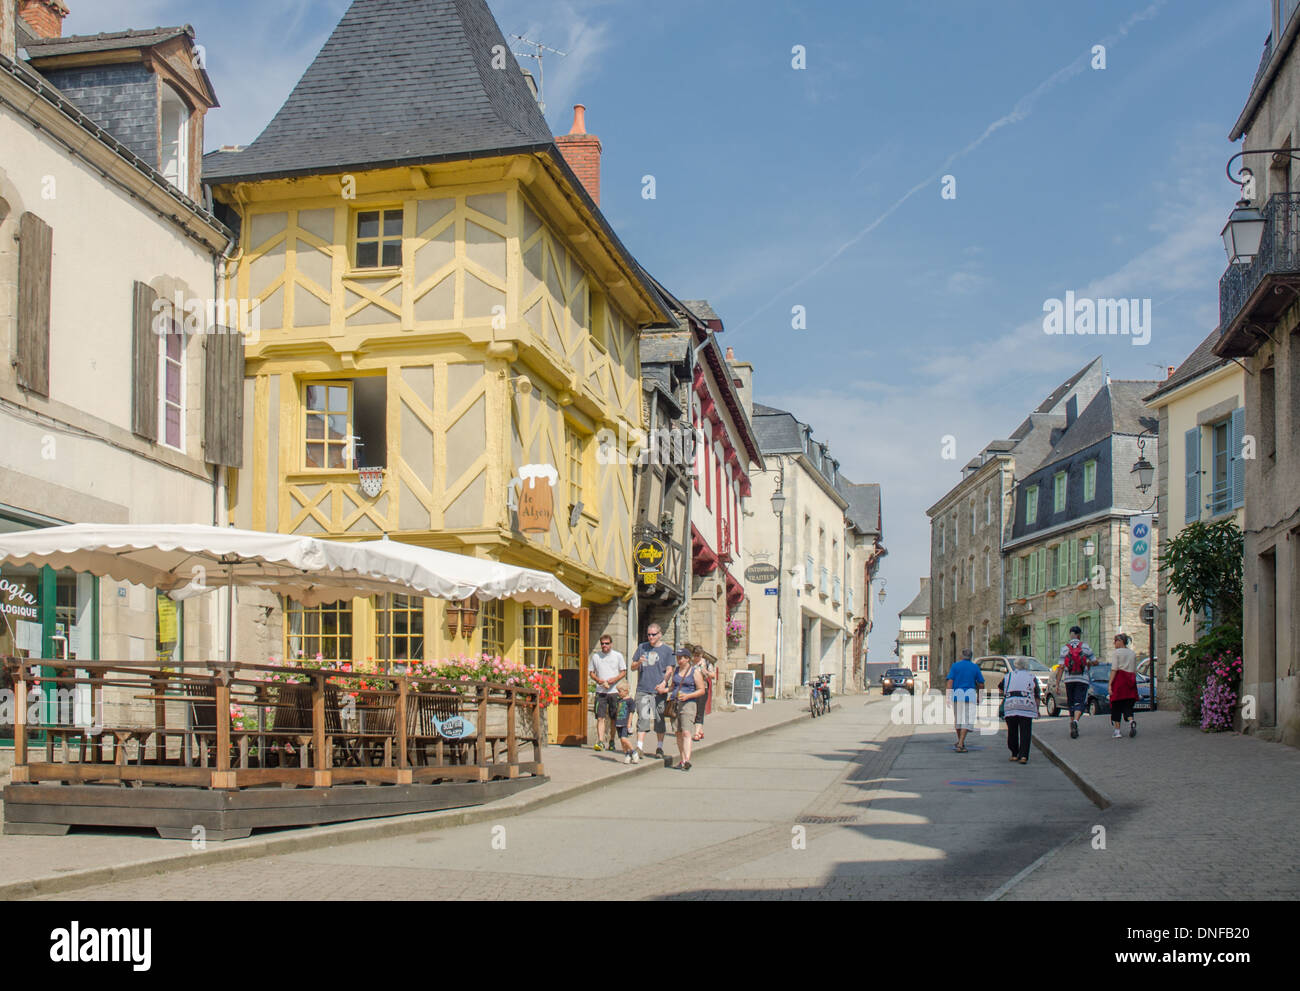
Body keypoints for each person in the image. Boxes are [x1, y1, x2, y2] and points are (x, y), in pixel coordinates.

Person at [630, 624, 675, 761]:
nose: (650, 637)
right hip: (643, 689)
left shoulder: (667, 650)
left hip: (658, 691)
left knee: (659, 719)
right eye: (649, 634)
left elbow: (669, 670)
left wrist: (663, 683)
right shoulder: (642, 647)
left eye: (653, 634)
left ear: (660, 634)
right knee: (643, 718)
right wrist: (639, 662)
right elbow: (632, 667)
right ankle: (640, 747)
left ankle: (659, 747)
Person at [669, 647, 707, 770]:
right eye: (678, 658)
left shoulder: (694, 672)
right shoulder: (676, 671)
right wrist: (662, 689)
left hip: (689, 704)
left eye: (681, 658)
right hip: (676, 704)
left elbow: (701, 690)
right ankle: (683, 759)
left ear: (687, 659)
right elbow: (672, 687)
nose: (679, 660)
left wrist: (688, 696)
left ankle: (687, 760)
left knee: (686, 732)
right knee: (678, 733)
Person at [588, 633, 626, 751]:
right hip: (601, 692)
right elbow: (591, 672)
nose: (604, 646)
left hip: (614, 691)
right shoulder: (596, 656)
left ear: (611, 644)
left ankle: (612, 740)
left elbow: (623, 671)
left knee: (613, 717)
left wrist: (613, 680)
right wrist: (599, 680)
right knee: (600, 717)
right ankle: (600, 741)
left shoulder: (617, 656)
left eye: (607, 643)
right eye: (602, 644)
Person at [1057, 625, 1096, 739]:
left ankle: (1072, 723)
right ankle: (1076, 722)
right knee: (1080, 702)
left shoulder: (1065, 648)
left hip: (1069, 679)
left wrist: (1058, 683)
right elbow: (1095, 662)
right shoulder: (1085, 647)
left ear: (1070, 634)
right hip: (1082, 679)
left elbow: (1060, 667)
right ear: (1079, 635)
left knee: (1071, 702)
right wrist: (1088, 663)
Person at [1002, 657, 1040, 764]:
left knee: (1012, 731)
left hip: (1011, 705)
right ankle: (1023, 756)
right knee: (1025, 731)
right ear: (1026, 665)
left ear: (1016, 665)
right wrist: (1037, 709)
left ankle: (1014, 754)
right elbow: (1036, 694)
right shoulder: (1031, 677)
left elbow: (1001, 687)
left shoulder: (1008, 676)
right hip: (1026, 706)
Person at [946, 648, 984, 752]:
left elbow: (950, 681)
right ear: (971, 656)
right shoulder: (975, 667)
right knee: (966, 720)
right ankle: (961, 743)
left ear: (962, 656)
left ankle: (960, 742)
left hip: (957, 696)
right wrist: (980, 697)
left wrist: (948, 696)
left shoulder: (955, 666)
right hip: (970, 696)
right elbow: (981, 683)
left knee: (958, 720)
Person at [1108, 632, 1140, 739]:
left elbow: (1114, 669)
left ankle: (1117, 731)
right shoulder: (1132, 653)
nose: (1114, 643)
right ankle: (1131, 721)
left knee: (1116, 705)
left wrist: (1110, 684)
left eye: (1115, 641)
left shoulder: (1117, 653)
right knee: (1128, 705)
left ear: (1121, 641)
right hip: (1130, 681)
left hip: (1119, 681)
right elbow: (1134, 670)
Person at [691, 645, 715, 742]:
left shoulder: (706, 663)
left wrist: (707, 673)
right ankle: (700, 730)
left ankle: (696, 733)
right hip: (691, 689)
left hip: (702, 689)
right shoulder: (690, 663)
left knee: (699, 711)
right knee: (693, 710)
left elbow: (713, 675)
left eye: (699, 655)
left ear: (702, 655)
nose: (697, 657)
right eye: (695, 655)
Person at [613, 683, 638, 763]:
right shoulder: (619, 700)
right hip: (618, 722)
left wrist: (629, 723)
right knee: (621, 740)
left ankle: (633, 751)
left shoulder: (630, 701)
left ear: (626, 691)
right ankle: (626, 754)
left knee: (624, 739)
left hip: (625, 723)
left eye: (620, 691)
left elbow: (631, 712)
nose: (618, 693)